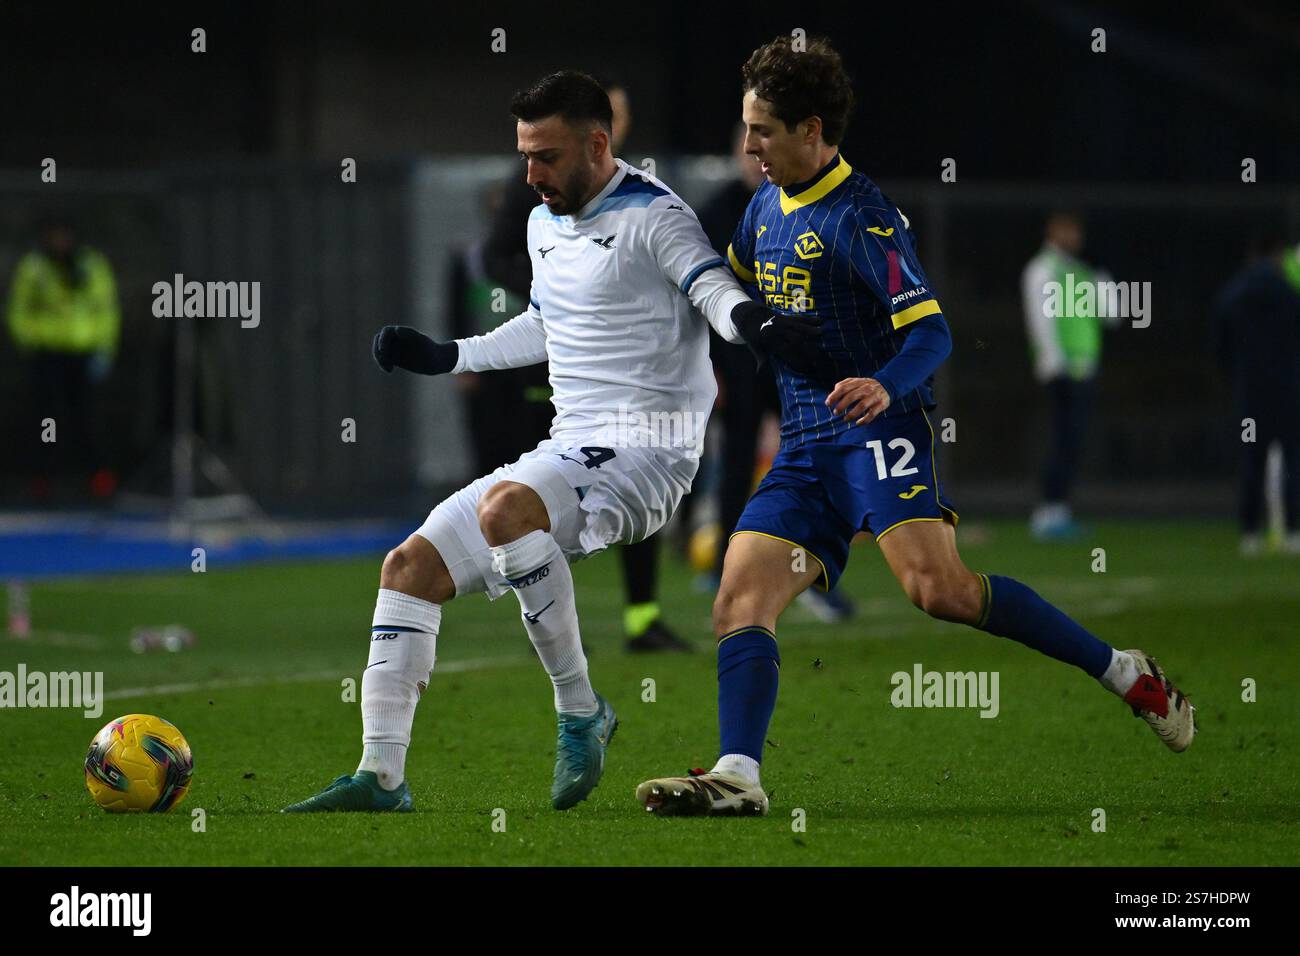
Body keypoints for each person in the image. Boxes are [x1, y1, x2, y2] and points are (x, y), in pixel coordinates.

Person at [636, 36, 1195, 818]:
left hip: (878, 434)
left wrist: (882, 384)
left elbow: (931, 332)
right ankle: (739, 775)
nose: (749, 144)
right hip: (802, 447)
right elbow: (729, 287)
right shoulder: (763, 206)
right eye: (746, 127)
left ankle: (1124, 672)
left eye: (762, 129)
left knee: (941, 591)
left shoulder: (862, 216)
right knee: (739, 598)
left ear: (813, 129)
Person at [283, 71, 797, 814]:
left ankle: (580, 710)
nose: (531, 174)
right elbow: (547, 326)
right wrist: (446, 355)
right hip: (575, 445)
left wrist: (753, 325)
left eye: (547, 156)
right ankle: (380, 777)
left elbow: (712, 288)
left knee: (505, 512)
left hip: (651, 451)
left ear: (597, 144)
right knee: (407, 567)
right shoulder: (541, 219)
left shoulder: (658, 215)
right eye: (525, 155)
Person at [480, 77, 688, 654]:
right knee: (545, 498)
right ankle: (548, 625)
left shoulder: (641, 199)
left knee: (634, 483)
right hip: (554, 374)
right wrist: (566, 296)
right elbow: (493, 256)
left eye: (620, 117)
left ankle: (642, 618)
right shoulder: (539, 186)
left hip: (630, 384)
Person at [696, 123, 854, 622]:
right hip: (739, 362)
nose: (753, 156)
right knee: (737, 462)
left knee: (812, 459)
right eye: (745, 147)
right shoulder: (720, 211)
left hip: (796, 359)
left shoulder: (803, 203)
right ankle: (727, 562)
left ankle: (810, 569)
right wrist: (710, 369)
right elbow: (702, 291)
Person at [6, 216, 121, 498]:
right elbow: (18, 308)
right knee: (46, 420)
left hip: (82, 354)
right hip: (48, 354)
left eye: (64, 236)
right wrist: (29, 341)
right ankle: (43, 480)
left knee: (85, 418)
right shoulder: (35, 267)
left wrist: (104, 348)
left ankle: (98, 479)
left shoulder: (91, 265)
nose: (60, 242)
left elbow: (106, 309)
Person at [1021, 212, 1113, 539]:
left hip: (1084, 367)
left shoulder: (1080, 271)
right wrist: (1052, 361)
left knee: (1073, 442)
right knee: (1062, 439)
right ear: (1052, 231)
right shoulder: (1042, 268)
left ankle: (1058, 509)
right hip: (1062, 369)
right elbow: (1040, 318)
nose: (1073, 237)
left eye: (1076, 230)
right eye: (1067, 230)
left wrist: (1101, 277)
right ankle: (1049, 511)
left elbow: (1112, 315)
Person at [1212, 230, 1300, 555]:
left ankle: (1250, 533)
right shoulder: (1290, 292)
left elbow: (1220, 342)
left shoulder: (1234, 292)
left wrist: (1235, 375)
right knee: (1291, 460)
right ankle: (1291, 531)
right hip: (1289, 390)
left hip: (1250, 391)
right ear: (1277, 255)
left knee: (1252, 461)